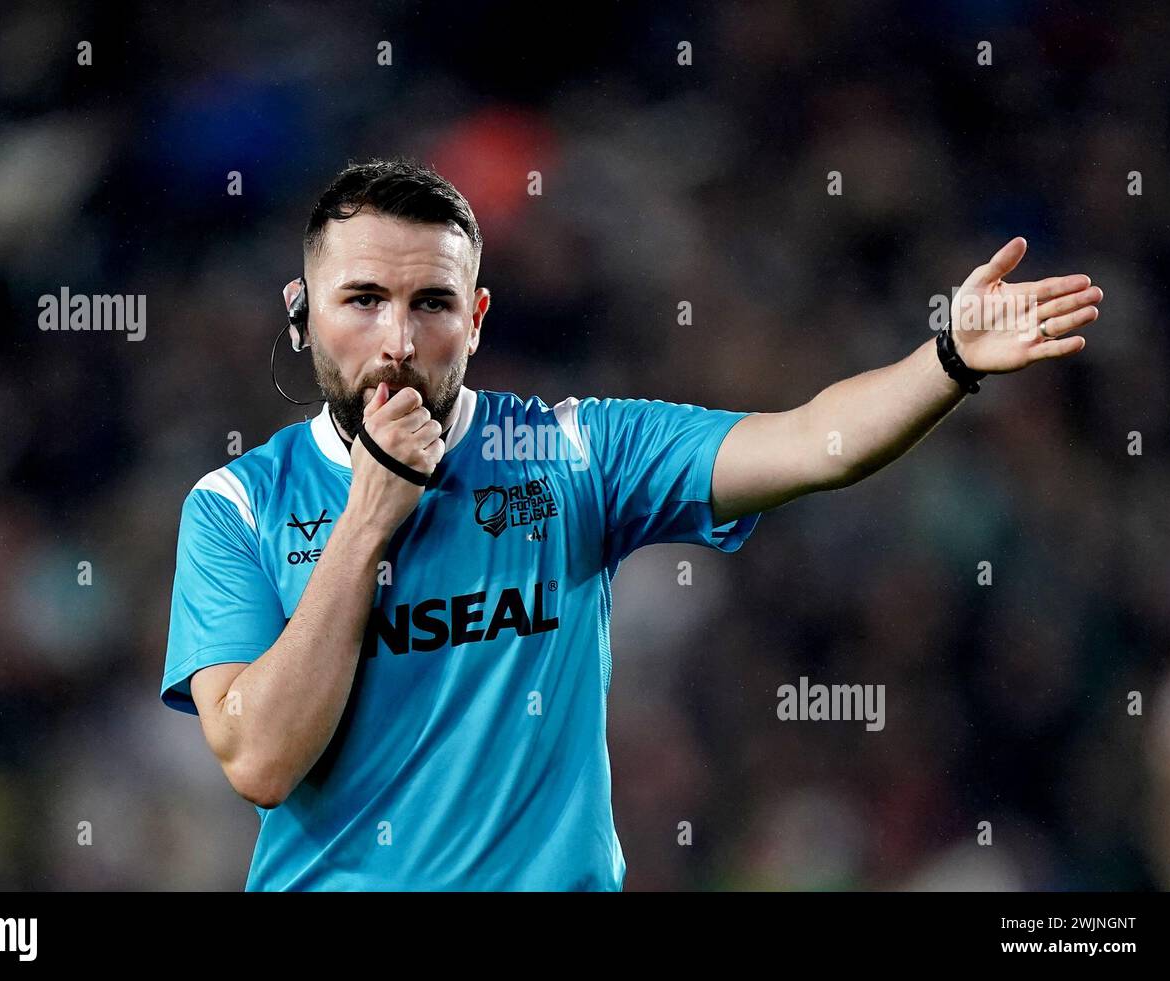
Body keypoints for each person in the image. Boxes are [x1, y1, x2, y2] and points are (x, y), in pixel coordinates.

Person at [160, 157, 1103, 890]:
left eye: (432, 302)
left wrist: (946, 359)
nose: (398, 340)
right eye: (362, 300)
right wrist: (369, 521)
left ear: (478, 316)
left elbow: (818, 444)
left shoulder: (576, 456)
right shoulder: (236, 505)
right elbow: (261, 758)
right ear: (303, 312)